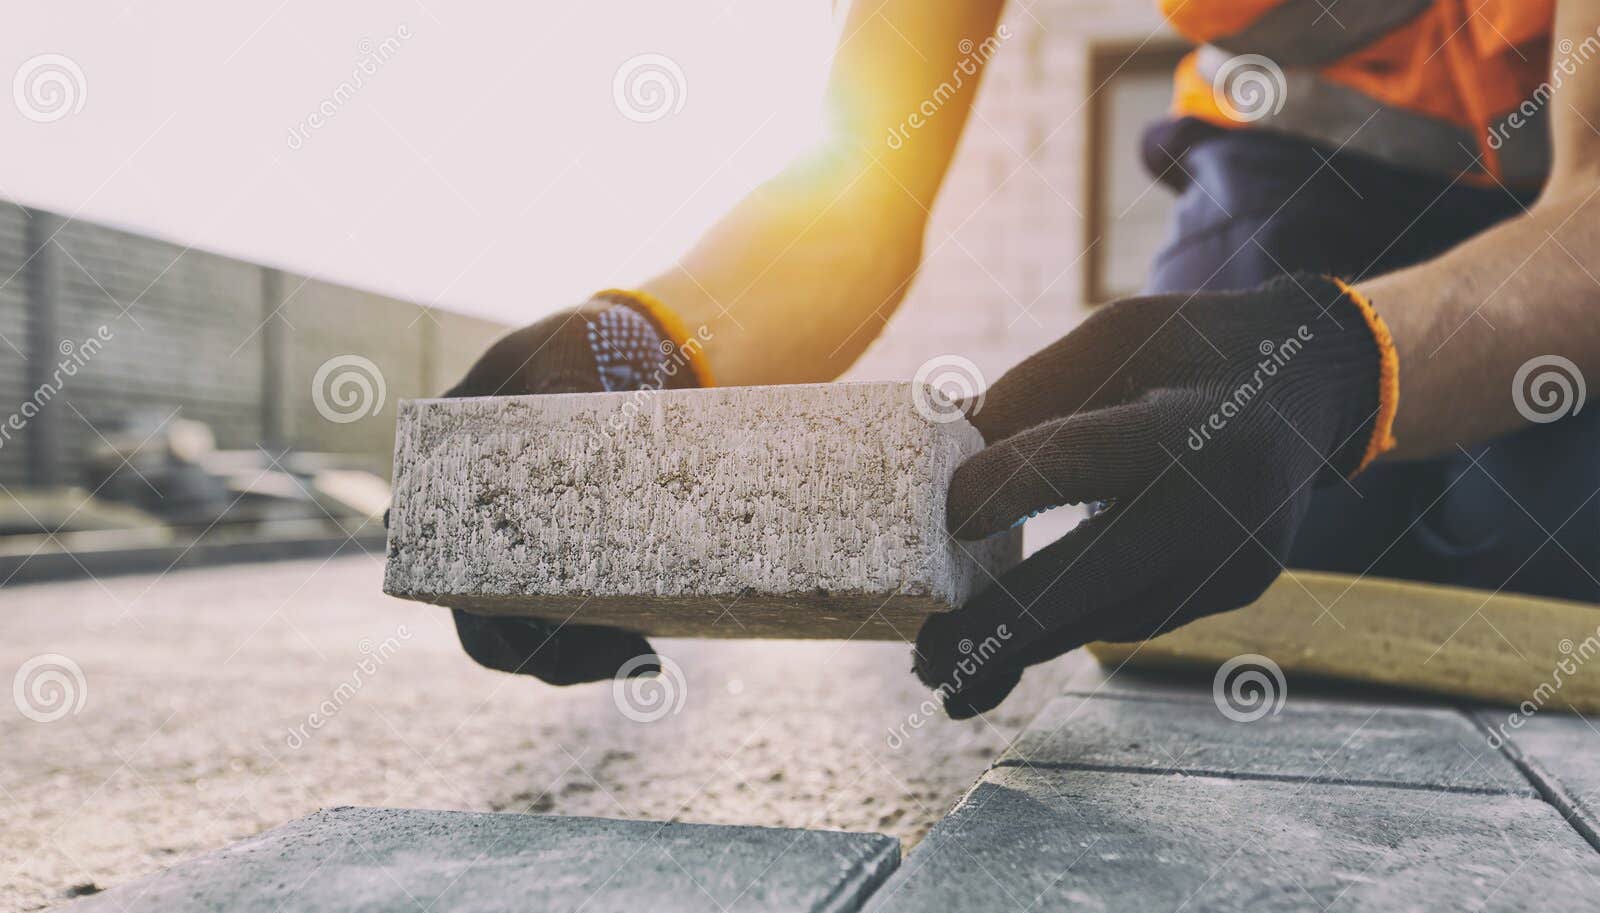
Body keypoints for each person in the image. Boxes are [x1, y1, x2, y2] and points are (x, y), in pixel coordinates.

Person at [445, 0, 1600, 716]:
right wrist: (644, 335)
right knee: (1202, 554)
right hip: (1301, 153)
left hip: (1568, 196)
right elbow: (856, 198)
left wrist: (1346, 370)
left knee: (1532, 550)